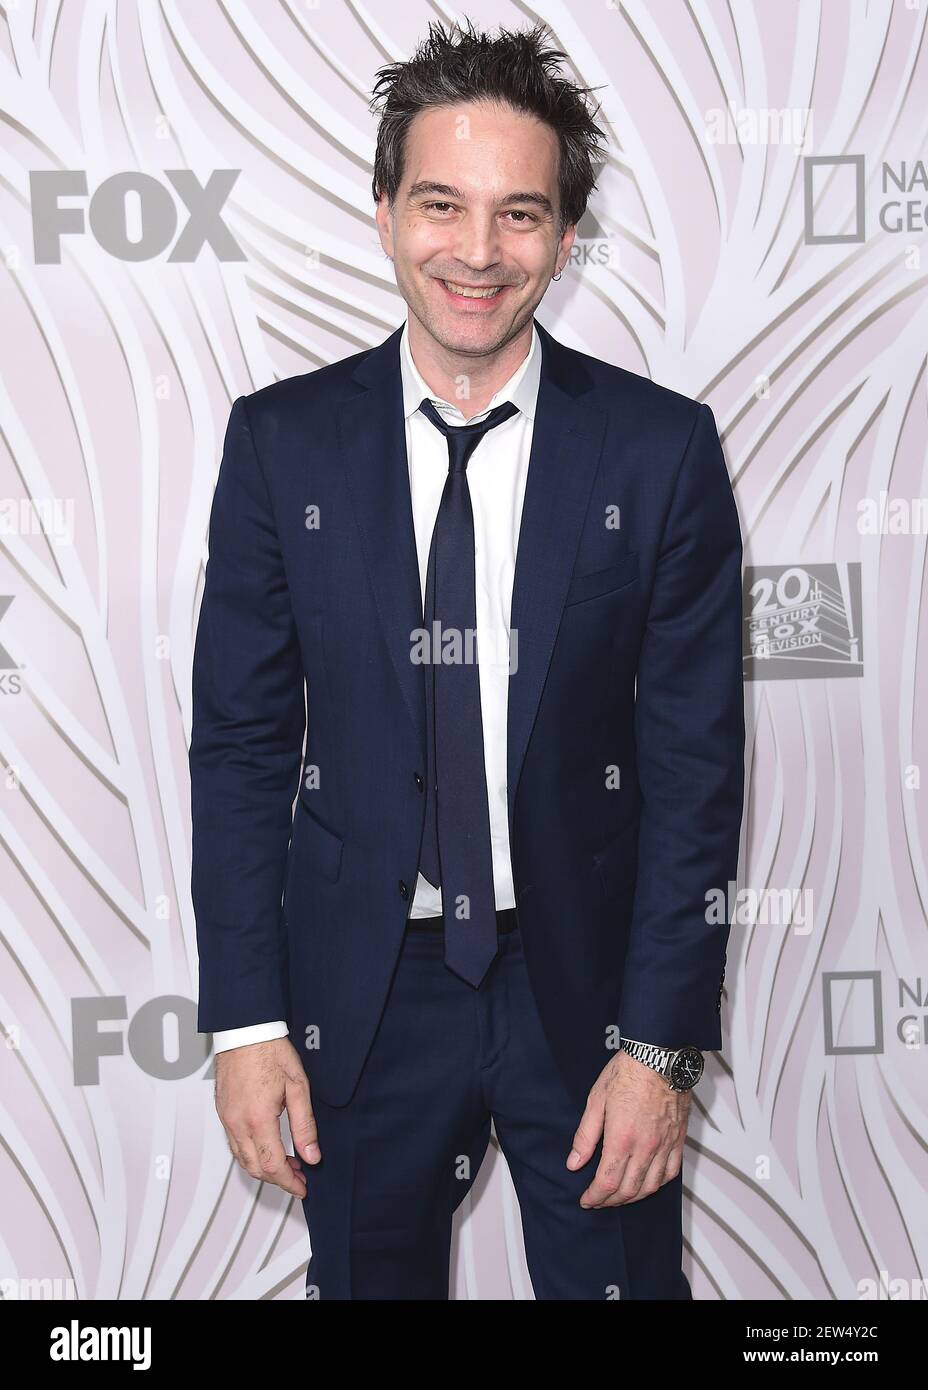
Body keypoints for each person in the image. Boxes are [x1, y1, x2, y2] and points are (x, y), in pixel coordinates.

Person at [190, 18, 744, 1301]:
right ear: (384, 210)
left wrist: (659, 1047)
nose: (477, 254)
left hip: (591, 995)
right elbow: (242, 745)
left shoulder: (657, 453)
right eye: (440, 204)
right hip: (361, 996)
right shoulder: (283, 447)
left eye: (520, 214)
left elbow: (692, 769)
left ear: (563, 234)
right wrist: (250, 1020)